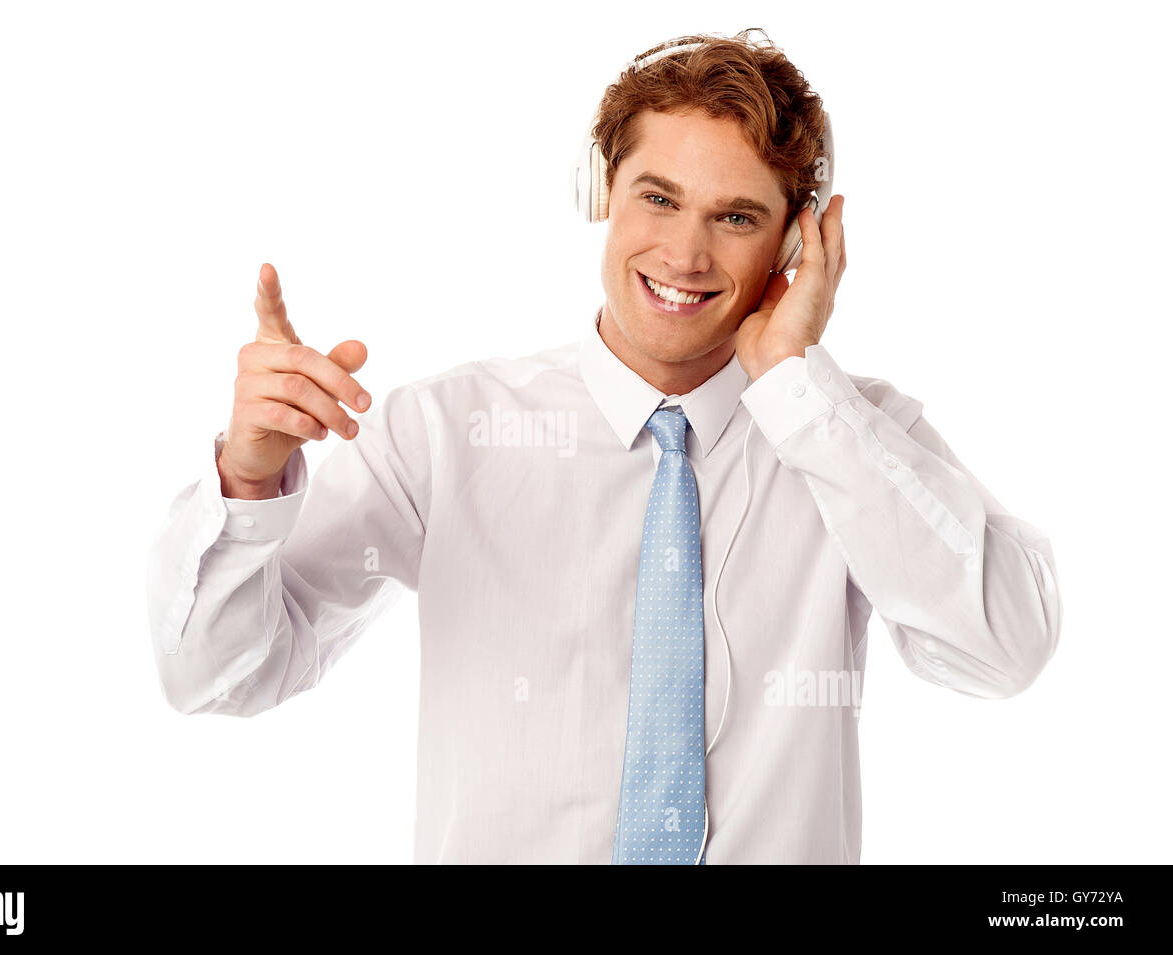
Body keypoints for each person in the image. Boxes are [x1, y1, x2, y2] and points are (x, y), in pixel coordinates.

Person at [145, 30, 1061, 864]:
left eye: (737, 217)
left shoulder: (857, 437)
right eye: (657, 198)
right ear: (600, 194)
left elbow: (1006, 647)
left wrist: (801, 394)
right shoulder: (443, 434)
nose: (687, 255)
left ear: (797, 241)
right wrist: (249, 477)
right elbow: (219, 675)